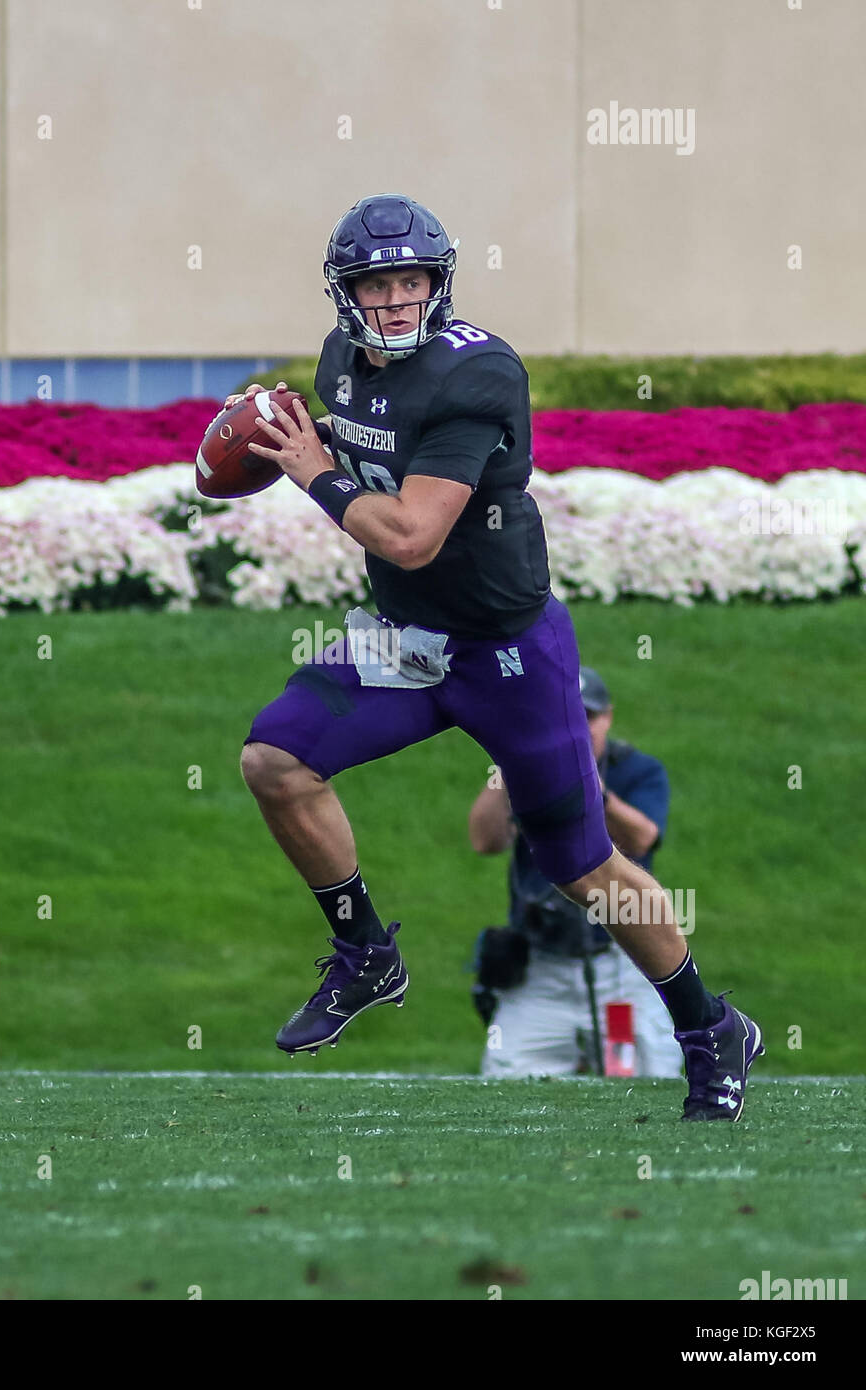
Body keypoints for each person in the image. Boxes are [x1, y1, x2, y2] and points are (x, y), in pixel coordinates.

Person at [233, 192, 763, 1120]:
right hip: (403, 639)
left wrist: (311, 471)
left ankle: (710, 1028)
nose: (395, 301)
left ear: (439, 283)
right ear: (343, 291)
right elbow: (371, 488)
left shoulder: (478, 376)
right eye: (375, 283)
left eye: (410, 281)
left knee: (583, 867)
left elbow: (409, 536)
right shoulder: (336, 362)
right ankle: (366, 955)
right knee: (276, 760)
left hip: (505, 648)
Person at [469, 666, 684, 1079]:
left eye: (587, 717)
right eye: (565, 715)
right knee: (506, 1078)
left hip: (619, 966)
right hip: (541, 967)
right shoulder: (525, 769)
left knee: (642, 1075)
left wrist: (588, 787)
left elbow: (642, 837)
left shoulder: (636, 770)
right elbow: (485, 840)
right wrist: (509, 766)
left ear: (608, 717)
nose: (578, 727)